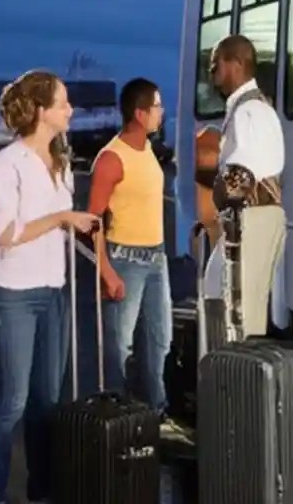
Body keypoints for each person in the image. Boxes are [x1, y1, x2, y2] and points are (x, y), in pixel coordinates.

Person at [0, 70, 99, 504]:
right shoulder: (8, 163)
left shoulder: (61, 163)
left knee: (47, 402)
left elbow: (56, 227)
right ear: (41, 111)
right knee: (12, 401)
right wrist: (64, 219)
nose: (70, 110)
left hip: (53, 290)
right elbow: (6, 234)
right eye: (63, 102)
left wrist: (83, 229)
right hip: (14, 294)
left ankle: (42, 490)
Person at [85, 77, 183, 435]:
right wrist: (106, 271)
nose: (161, 113)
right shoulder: (112, 158)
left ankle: (155, 415)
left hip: (156, 260)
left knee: (159, 340)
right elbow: (92, 222)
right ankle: (117, 420)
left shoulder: (148, 153)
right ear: (140, 113)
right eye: (157, 107)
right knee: (119, 347)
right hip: (125, 259)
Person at [202, 34, 286, 341]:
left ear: (236, 64)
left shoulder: (248, 112)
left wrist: (218, 197)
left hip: (249, 220)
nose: (211, 75)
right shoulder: (256, 107)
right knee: (238, 307)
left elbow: (240, 175)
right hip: (258, 218)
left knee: (230, 309)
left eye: (215, 67)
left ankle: (231, 379)